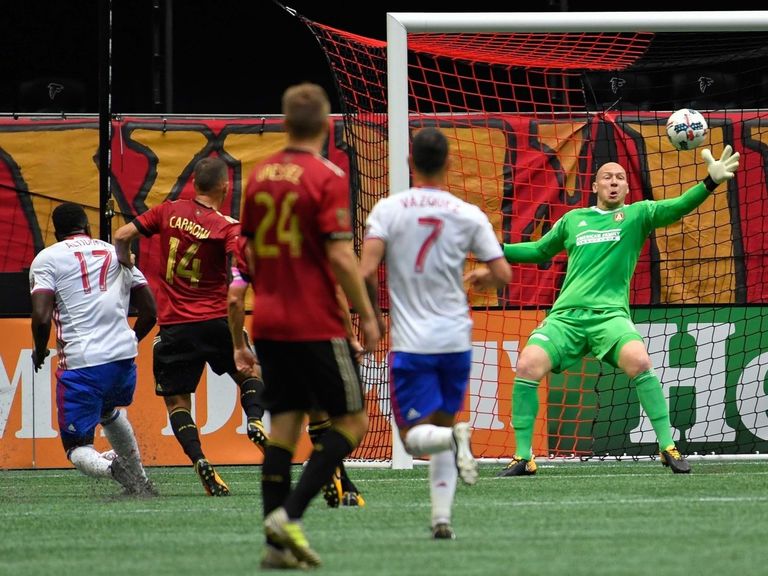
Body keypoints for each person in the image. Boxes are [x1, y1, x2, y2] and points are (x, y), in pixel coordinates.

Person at [483, 145, 740, 477]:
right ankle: (523, 457)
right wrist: (494, 249)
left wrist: (709, 182)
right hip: (566, 317)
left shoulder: (639, 214)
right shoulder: (573, 220)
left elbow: (676, 208)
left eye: (620, 177)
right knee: (528, 364)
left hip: (610, 317)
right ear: (594, 186)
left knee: (641, 361)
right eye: (607, 177)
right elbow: (539, 249)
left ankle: (667, 447)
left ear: (627, 187)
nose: (614, 181)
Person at [236, 82, 381, 569]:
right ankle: (290, 516)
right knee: (353, 421)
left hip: (271, 320)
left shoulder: (257, 176)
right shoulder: (326, 175)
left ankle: (275, 548)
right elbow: (341, 255)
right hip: (314, 321)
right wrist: (367, 315)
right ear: (325, 125)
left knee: (284, 428)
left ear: (284, 121)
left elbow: (252, 250)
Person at [360, 127, 512, 540]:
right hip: (456, 342)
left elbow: (364, 271)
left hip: (412, 344)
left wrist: (370, 319)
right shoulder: (467, 213)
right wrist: (481, 273)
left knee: (414, 442)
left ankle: (454, 442)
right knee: (445, 425)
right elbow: (503, 274)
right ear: (448, 165)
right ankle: (441, 519)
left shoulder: (388, 210)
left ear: (410, 163)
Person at [113, 156, 269, 497]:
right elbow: (244, 262)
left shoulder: (167, 211)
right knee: (250, 373)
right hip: (215, 321)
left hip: (175, 327)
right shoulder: (227, 226)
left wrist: (126, 261)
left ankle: (200, 460)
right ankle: (255, 420)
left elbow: (122, 235)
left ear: (194, 183)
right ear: (225, 187)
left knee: (178, 404)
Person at [29, 202, 157, 496]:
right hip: (123, 361)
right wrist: (131, 340)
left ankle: (115, 469)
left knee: (77, 449)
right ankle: (141, 479)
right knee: (109, 411)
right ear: (87, 227)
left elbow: (41, 316)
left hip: (83, 363)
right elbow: (150, 310)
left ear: (57, 233)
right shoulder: (117, 251)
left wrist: (39, 349)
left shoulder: (47, 259)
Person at [227, 251, 366, 509]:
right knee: (347, 422)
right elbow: (335, 290)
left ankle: (275, 521)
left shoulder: (249, 239)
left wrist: (238, 345)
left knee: (282, 431)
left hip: (270, 336)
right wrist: (354, 332)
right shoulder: (312, 233)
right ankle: (323, 484)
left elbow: (235, 297)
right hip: (315, 329)